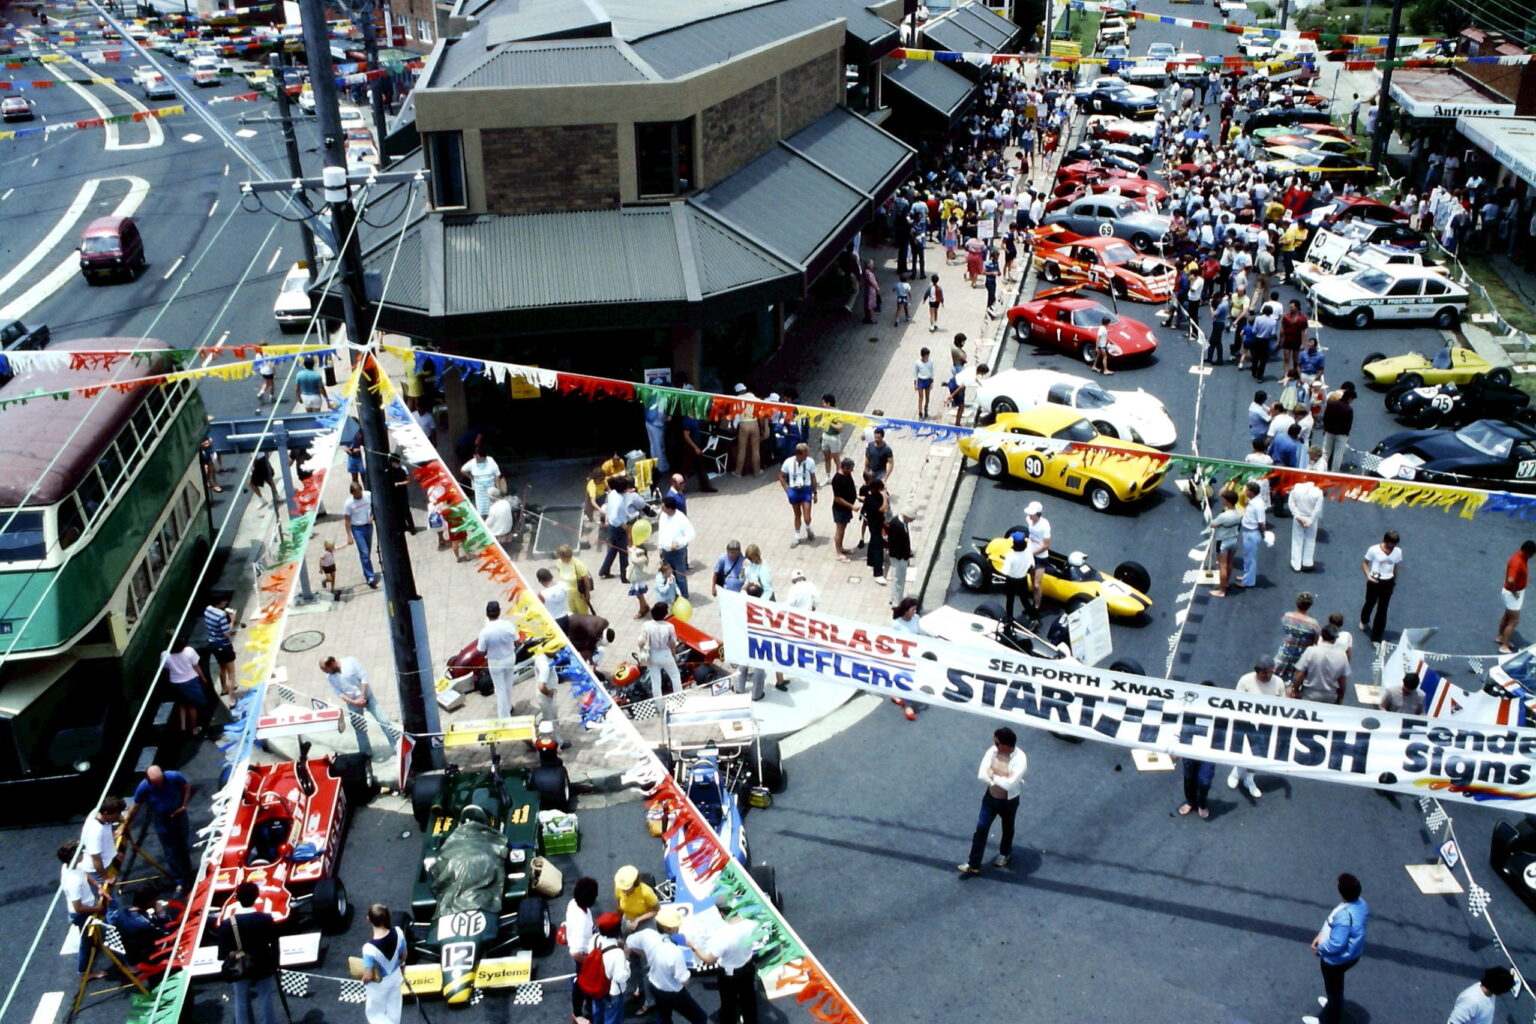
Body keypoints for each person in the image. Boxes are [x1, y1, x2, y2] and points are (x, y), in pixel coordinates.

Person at [958, 726, 1026, 876]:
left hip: (1009, 801)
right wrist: (1000, 779)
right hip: (990, 798)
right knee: (981, 828)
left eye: (997, 743)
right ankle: (973, 864)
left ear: (1007, 745)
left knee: (1007, 827)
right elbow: (982, 775)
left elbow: (1010, 784)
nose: (994, 745)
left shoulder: (1020, 759)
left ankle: (1005, 852)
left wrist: (993, 776)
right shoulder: (992, 752)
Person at [1304, 873, 1368, 1024]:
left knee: (1334, 989)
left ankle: (1328, 1020)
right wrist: (1321, 934)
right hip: (1353, 954)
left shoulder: (1345, 916)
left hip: (1336, 961)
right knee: (1335, 988)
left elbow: (1336, 945)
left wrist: (1320, 949)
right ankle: (1332, 1004)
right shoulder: (1361, 904)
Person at [627, 907, 706, 1024]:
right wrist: (693, 946)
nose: (678, 927)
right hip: (673, 992)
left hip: (654, 985)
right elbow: (683, 980)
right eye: (676, 926)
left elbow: (629, 941)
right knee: (700, 1018)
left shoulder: (647, 934)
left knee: (664, 1018)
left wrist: (645, 954)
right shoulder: (675, 952)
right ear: (668, 928)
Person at [688, 893, 758, 1024]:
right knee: (749, 998)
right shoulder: (750, 924)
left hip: (729, 974)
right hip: (748, 967)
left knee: (728, 1002)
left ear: (720, 913)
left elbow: (709, 960)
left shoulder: (721, 936)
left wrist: (695, 946)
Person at [218, 881, 280, 1024]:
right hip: (264, 965)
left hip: (240, 967)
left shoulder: (228, 924)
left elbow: (223, 954)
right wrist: (275, 964)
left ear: (238, 898)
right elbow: (275, 944)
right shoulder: (266, 919)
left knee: (241, 1001)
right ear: (256, 896)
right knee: (266, 1000)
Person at [123, 765, 193, 889]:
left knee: (183, 846)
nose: (158, 785)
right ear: (148, 780)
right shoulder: (143, 787)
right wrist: (125, 824)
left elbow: (186, 786)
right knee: (170, 851)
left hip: (179, 817)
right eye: (155, 783)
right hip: (163, 822)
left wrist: (184, 805)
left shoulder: (174, 776)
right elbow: (135, 806)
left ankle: (189, 874)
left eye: (160, 781)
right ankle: (179, 879)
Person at [320, 655, 400, 758]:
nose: (326, 673)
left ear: (332, 663)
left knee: (384, 721)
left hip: (367, 697)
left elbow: (363, 677)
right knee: (359, 727)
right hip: (353, 702)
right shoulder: (330, 677)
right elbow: (339, 693)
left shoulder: (350, 662)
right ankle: (366, 753)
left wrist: (362, 696)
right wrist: (354, 702)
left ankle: (396, 746)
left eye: (326, 670)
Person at [1227, 657, 1279, 797]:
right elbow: (1236, 702)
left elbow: (1283, 705)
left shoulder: (1278, 682)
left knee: (1257, 754)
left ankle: (1249, 780)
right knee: (1243, 750)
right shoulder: (1245, 681)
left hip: (1266, 726)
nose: (1268, 676)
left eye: (1270, 672)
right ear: (1257, 672)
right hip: (1246, 724)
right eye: (1265, 673)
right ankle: (1236, 773)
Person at [58, 840, 107, 978]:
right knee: (86, 942)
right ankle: (85, 972)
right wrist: (97, 908)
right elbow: (78, 908)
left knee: (89, 939)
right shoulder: (73, 882)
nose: (83, 854)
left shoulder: (70, 867)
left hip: (88, 908)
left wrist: (98, 887)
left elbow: (85, 874)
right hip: (82, 915)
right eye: (80, 853)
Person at [360, 903, 406, 1024]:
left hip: (380, 984)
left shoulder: (368, 948)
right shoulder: (399, 931)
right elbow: (404, 955)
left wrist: (363, 980)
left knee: (375, 1014)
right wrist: (401, 965)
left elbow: (368, 976)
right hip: (396, 976)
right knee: (395, 1009)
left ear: (369, 919)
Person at [477, 601, 521, 719]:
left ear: (487, 613)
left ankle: (504, 716)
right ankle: (508, 707)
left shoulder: (485, 631)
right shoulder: (508, 625)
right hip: (509, 658)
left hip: (495, 661)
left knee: (500, 689)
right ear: (499, 612)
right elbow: (517, 640)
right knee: (508, 684)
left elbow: (481, 650)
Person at [585, 912, 630, 1024]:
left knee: (598, 1013)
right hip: (612, 992)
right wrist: (627, 959)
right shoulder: (617, 953)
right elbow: (621, 977)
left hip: (596, 987)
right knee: (612, 1019)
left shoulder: (594, 939)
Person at [564, 877, 599, 1021]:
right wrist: (591, 962)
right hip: (584, 956)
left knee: (581, 982)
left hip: (586, 947)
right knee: (584, 984)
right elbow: (575, 952)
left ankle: (579, 1011)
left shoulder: (574, 903)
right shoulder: (581, 922)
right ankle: (581, 1014)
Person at [1360, 530, 1403, 644]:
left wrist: (1394, 582)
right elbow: (1364, 563)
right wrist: (1368, 575)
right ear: (1386, 541)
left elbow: (1396, 567)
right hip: (1374, 581)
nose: (1393, 546)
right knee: (1370, 603)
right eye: (1391, 543)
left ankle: (1376, 636)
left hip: (1388, 582)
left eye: (1395, 544)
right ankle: (1364, 620)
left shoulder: (1398, 551)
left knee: (1382, 610)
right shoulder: (1373, 549)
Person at [1291, 625, 1350, 704]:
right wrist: (1340, 697)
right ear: (1335, 638)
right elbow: (1342, 680)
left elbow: (1299, 674)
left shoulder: (1311, 651)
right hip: (1330, 697)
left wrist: (1295, 690)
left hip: (1309, 696)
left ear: (1321, 636)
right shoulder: (1342, 655)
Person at [164, 638, 211, 736]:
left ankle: (183, 726)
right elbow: (196, 666)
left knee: (181, 703)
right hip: (190, 681)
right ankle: (193, 728)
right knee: (192, 706)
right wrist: (203, 678)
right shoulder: (189, 651)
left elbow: (167, 669)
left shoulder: (165, 655)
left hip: (175, 682)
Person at [598, 476, 640, 584]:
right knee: (623, 552)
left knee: (613, 549)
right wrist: (623, 525)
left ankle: (604, 570)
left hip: (612, 527)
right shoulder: (619, 501)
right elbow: (615, 518)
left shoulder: (613, 494)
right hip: (618, 527)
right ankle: (625, 576)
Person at [1498, 540, 1535, 653]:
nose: (1533, 556)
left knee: (1507, 616)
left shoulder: (1520, 557)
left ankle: (1500, 636)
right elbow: (1511, 579)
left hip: (1513, 593)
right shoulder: (1517, 561)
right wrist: (1514, 592)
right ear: (1528, 552)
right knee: (1514, 620)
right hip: (1512, 594)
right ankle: (1504, 646)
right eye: (1533, 554)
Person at [1444, 966, 1515, 1024]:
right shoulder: (1471, 1001)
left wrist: (1509, 977)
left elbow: (1498, 977)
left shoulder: (1490, 989)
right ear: (1498, 991)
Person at [779, 443, 819, 547]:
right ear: (798, 454)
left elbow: (813, 477)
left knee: (807, 516)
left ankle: (808, 528)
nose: (807, 456)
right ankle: (797, 536)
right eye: (805, 455)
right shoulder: (788, 462)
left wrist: (815, 493)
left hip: (806, 489)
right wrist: (787, 489)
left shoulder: (810, 462)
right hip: (794, 490)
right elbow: (781, 476)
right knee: (797, 514)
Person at [655, 497, 694, 599]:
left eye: (663, 506)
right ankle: (673, 595)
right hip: (666, 551)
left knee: (680, 576)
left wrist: (679, 543)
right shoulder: (663, 516)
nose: (661, 508)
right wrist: (660, 547)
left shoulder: (681, 518)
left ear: (670, 508)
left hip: (677, 552)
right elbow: (661, 532)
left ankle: (684, 597)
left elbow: (691, 534)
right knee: (668, 575)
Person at [342, 483, 380, 589]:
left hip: (368, 526)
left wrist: (372, 516)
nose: (359, 495)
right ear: (352, 493)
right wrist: (349, 535)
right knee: (364, 552)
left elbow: (374, 506)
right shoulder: (349, 504)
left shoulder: (368, 495)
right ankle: (370, 577)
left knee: (367, 550)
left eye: (360, 492)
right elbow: (347, 520)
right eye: (357, 493)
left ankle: (367, 571)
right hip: (357, 528)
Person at [1275, 592, 1320, 681]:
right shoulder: (1313, 624)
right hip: (1300, 659)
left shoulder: (1287, 616)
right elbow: (1315, 642)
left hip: (1283, 655)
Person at [80, 796, 125, 884]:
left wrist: (113, 853)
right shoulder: (95, 831)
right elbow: (96, 858)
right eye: (117, 814)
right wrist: (106, 877)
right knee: (109, 896)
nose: (119, 816)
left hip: (107, 861)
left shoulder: (100, 814)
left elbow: (108, 826)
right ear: (106, 813)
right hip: (97, 872)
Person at [641, 603, 682, 696]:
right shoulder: (669, 626)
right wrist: (674, 655)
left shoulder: (646, 625)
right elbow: (672, 644)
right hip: (665, 655)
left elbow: (640, 643)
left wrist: (643, 652)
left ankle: (659, 705)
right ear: (664, 614)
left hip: (652, 655)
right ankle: (679, 699)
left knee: (655, 682)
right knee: (675, 676)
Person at [204, 593, 238, 700]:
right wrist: (232, 620)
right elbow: (226, 633)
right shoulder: (221, 616)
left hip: (213, 644)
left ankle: (224, 689)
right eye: (224, 601)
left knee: (222, 667)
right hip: (224, 645)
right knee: (231, 672)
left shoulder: (207, 610)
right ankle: (231, 699)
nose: (226, 603)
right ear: (220, 602)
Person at [1209, 489, 1243, 597]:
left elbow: (1213, 524)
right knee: (1229, 562)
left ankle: (1221, 590)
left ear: (1228, 502)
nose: (1222, 501)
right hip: (1234, 540)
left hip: (1222, 541)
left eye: (1224, 499)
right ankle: (1226, 583)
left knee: (1222, 566)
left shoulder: (1224, 516)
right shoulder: (1239, 514)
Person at [1289, 478, 1323, 572]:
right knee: (1310, 540)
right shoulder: (1318, 492)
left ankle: (1296, 564)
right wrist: (1311, 520)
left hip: (1298, 517)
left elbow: (1291, 503)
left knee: (1296, 540)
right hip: (1310, 518)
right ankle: (1307, 563)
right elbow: (1318, 508)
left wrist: (1297, 516)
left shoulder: (1296, 488)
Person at [1321, 383, 1356, 473]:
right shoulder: (1348, 409)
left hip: (1329, 432)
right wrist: (1346, 435)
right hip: (1341, 434)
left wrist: (1326, 428)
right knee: (1338, 454)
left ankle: (1321, 469)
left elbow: (1326, 418)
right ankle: (1334, 472)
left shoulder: (1332, 404)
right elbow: (1348, 425)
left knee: (1325, 452)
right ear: (1350, 398)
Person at [613, 864, 658, 932]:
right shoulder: (619, 887)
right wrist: (618, 921)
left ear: (635, 883)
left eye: (626, 888)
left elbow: (656, 910)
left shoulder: (646, 892)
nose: (623, 890)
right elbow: (619, 905)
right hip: (628, 919)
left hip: (645, 921)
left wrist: (638, 920)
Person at [1238, 480, 1266, 589]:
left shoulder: (1258, 505)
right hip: (1247, 532)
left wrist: (1263, 533)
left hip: (1252, 533)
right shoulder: (1253, 501)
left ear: (1252, 492)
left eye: (1247, 489)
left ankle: (1248, 582)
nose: (1245, 491)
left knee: (1250, 558)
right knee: (1247, 556)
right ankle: (1246, 576)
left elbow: (1261, 522)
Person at [459, 446, 501, 516]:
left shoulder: (490, 460)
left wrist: (498, 487)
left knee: (492, 506)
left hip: (490, 488)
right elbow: (463, 470)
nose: (476, 459)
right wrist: (471, 477)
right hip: (479, 490)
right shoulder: (472, 462)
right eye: (475, 457)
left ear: (483, 457)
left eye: (478, 458)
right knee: (481, 507)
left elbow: (497, 474)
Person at [830, 457, 858, 563]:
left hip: (847, 509)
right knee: (839, 530)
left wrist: (857, 497)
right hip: (840, 509)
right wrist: (851, 506)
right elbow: (837, 498)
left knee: (843, 529)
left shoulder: (847, 474)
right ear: (844, 468)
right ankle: (838, 552)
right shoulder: (837, 479)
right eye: (850, 468)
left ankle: (841, 548)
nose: (852, 471)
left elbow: (850, 488)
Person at [861, 478, 888, 585]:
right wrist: (885, 497)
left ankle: (871, 561)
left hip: (879, 521)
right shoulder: (870, 499)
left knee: (873, 540)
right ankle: (878, 574)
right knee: (878, 546)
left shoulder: (877, 495)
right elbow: (884, 509)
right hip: (873, 523)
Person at [886, 507, 914, 609]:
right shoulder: (896, 524)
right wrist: (902, 557)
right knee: (899, 579)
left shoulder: (903, 523)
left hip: (902, 555)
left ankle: (894, 598)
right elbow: (894, 542)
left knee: (897, 578)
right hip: (898, 557)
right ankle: (896, 603)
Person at [556, 544, 595, 616]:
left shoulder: (578, 564)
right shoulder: (559, 562)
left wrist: (587, 593)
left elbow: (586, 579)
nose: (563, 560)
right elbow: (560, 572)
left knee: (583, 614)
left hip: (579, 594)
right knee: (571, 613)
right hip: (567, 594)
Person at [1177, 754, 1215, 820]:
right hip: (1190, 748)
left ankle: (1202, 804)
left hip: (1209, 751)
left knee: (1205, 780)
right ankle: (1190, 801)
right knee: (1189, 776)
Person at [817, 394, 844, 476]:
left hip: (834, 438)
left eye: (824, 403)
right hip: (825, 436)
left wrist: (830, 423)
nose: (823, 405)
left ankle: (839, 477)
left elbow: (840, 428)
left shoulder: (838, 413)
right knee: (827, 458)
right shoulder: (825, 411)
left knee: (836, 460)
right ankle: (828, 477)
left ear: (828, 403)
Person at [914, 347, 934, 418]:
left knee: (927, 398)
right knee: (920, 397)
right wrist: (915, 384)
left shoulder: (930, 362)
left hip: (928, 380)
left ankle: (926, 409)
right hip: (921, 381)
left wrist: (932, 382)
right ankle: (920, 411)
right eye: (927, 355)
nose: (928, 357)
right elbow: (915, 373)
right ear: (923, 355)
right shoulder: (917, 363)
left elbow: (932, 372)